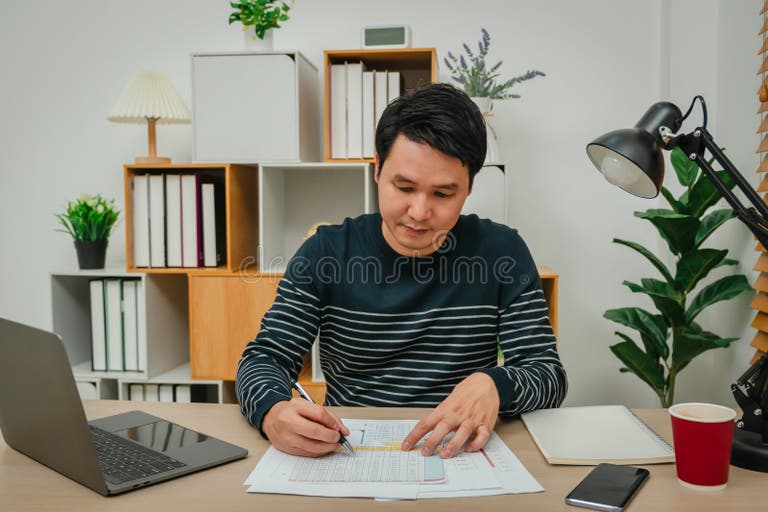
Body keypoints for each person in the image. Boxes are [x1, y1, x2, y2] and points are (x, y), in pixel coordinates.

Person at [236, 83, 567, 459]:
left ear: (470, 187)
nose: (420, 212)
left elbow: (548, 375)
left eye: (443, 194)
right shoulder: (325, 252)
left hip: (459, 453)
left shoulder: (502, 253)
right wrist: (273, 412)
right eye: (404, 187)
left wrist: (495, 384)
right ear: (377, 169)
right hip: (351, 452)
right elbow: (265, 358)